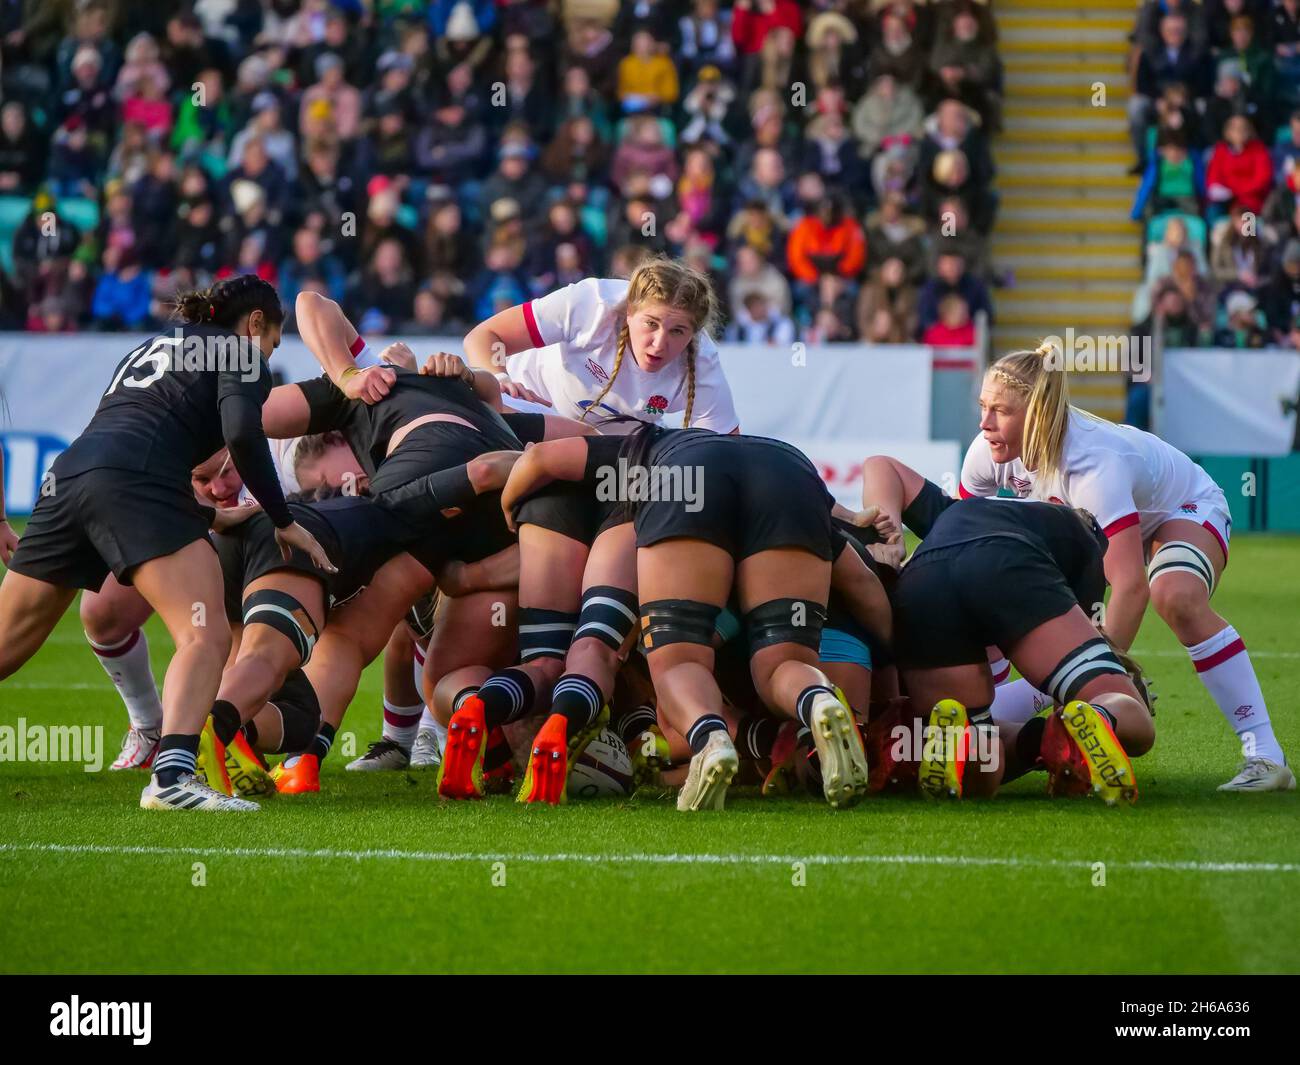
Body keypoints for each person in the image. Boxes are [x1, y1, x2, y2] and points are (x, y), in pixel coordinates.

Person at [0, 275, 335, 812]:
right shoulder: (241, 352)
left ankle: (163, 755)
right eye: (273, 340)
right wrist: (281, 518)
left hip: (70, 476)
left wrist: (205, 513)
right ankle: (173, 777)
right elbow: (244, 434)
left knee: (5, 643)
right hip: (138, 483)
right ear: (255, 324)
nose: (270, 354)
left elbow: (133, 433)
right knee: (203, 636)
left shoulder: (151, 346)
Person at [959, 342, 1294, 792]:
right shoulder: (987, 453)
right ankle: (995, 720)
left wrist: (1100, 673)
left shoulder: (1094, 463)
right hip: (1089, 532)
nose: (984, 423)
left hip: (1184, 507)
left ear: (1036, 412)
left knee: (1175, 594)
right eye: (983, 406)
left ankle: (1267, 757)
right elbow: (962, 549)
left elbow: (1129, 586)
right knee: (984, 581)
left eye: (1000, 410)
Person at [462, 257, 739, 433]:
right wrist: (499, 377)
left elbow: (724, 446)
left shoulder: (702, 359)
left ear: (693, 334)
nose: (659, 343)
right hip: (528, 404)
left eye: (677, 331)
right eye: (651, 324)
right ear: (629, 312)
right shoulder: (591, 302)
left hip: (606, 444)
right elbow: (484, 336)